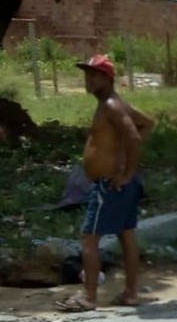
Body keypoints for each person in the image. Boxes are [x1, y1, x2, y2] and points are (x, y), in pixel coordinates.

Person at [56, 55, 155, 312]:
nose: (88, 80)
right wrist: (123, 163)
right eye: (86, 74)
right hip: (117, 184)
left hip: (110, 186)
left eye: (94, 75)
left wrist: (124, 172)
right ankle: (131, 293)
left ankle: (89, 297)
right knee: (126, 235)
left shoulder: (111, 105)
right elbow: (147, 123)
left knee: (89, 240)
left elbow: (133, 136)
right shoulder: (113, 104)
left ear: (108, 79)